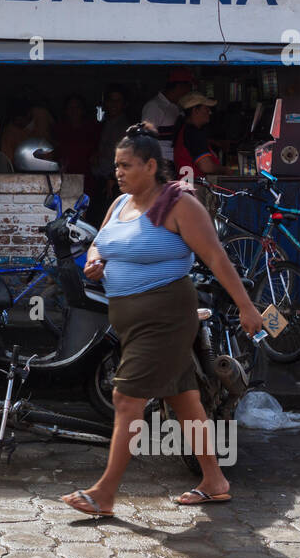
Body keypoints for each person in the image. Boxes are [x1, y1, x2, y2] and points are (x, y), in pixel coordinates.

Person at [61, 123, 263, 518]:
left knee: (125, 399)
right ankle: (214, 481)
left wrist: (246, 306)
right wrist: (95, 263)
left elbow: (217, 258)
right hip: (130, 320)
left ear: (151, 165)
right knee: (183, 398)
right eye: (115, 165)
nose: (117, 172)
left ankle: (104, 493)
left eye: (126, 165)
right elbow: (97, 247)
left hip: (166, 316)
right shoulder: (120, 205)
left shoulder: (180, 205)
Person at [174, 92, 236, 177]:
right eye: (206, 108)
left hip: (188, 184)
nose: (210, 112)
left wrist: (216, 143)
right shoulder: (194, 133)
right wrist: (226, 170)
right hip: (194, 186)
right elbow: (206, 167)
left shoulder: (187, 129)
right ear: (195, 110)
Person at [141, 68, 194, 166]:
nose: (189, 92)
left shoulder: (177, 106)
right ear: (180, 86)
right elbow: (145, 139)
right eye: (189, 87)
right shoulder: (154, 106)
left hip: (175, 161)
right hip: (161, 163)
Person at [92, 85, 132, 207]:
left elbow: (126, 157)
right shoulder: (104, 124)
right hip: (101, 180)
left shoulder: (125, 127)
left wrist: (112, 178)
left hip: (113, 183)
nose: (114, 104)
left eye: (118, 100)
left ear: (124, 104)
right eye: (111, 100)